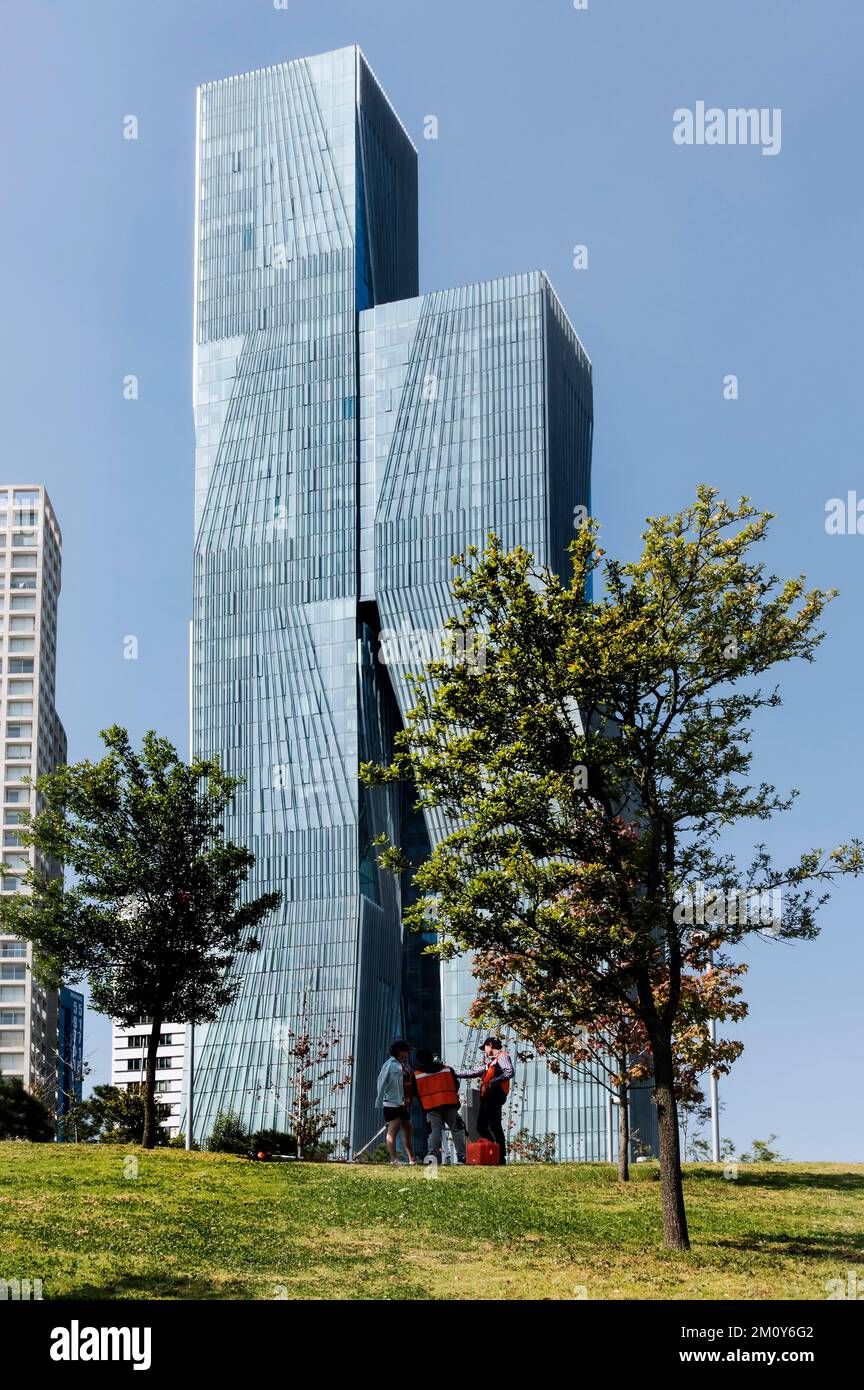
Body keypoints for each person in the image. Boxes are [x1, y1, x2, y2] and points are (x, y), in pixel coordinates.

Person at [458, 1036, 513, 1165]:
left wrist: (494, 1082)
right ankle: (494, 1152)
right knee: (483, 1126)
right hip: (489, 1096)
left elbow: (509, 1072)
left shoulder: (502, 1056)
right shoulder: (491, 1063)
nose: (484, 1051)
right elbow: (473, 1072)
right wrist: (453, 1072)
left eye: (485, 1048)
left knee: (493, 1126)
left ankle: (499, 1157)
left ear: (490, 1045)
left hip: (495, 1095)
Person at [413, 1046, 467, 1165]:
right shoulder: (447, 1069)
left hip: (431, 1108)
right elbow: (456, 1085)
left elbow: (415, 1093)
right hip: (450, 1105)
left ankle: (432, 1157)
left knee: (434, 1131)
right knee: (457, 1129)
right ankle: (462, 1157)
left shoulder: (416, 1075)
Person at [375, 1040, 416, 1165]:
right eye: (406, 1051)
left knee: (408, 1129)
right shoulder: (389, 1065)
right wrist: (380, 1100)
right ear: (399, 1051)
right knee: (394, 1129)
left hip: (402, 1103)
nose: (408, 1054)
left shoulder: (405, 1065)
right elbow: (381, 1083)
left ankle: (412, 1158)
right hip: (391, 1102)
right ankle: (393, 1159)